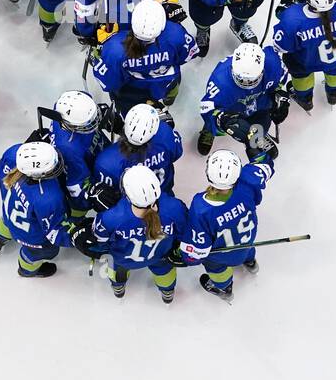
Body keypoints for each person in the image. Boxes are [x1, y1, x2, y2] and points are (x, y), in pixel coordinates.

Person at [74, 165, 188, 302]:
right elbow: (183, 234)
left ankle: (118, 289)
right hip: (161, 256)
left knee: (115, 272)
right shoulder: (175, 207)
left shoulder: (110, 218)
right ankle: (167, 294)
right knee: (165, 275)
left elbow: (100, 243)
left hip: (122, 260)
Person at [175, 149, 274, 301]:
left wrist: (186, 258)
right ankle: (251, 263)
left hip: (221, 256)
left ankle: (225, 289)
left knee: (215, 266)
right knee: (246, 248)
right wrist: (257, 147)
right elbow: (265, 165)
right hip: (246, 242)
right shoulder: (247, 180)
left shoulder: (201, 207)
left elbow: (198, 250)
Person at [91, 0, 198, 117]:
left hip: (131, 96)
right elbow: (188, 55)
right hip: (164, 85)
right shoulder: (176, 33)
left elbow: (108, 83)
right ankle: (170, 96)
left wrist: (101, 49)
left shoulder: (115, 48)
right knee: (172, 84)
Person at [0, 141, 72, 278]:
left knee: (7, 223)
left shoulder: (13, 154)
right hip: (32, 236)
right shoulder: (48, 197)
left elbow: (1, 178)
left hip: (9, 213)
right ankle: (27, 269)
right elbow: (54, 229)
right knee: (47, 251)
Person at [197, 43, 291, 157]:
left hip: (260, 104)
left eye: (251, 79)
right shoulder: (220, 81)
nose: (246, 83)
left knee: (262, 123)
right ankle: (209, 129)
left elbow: (279, 83)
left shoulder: (274, 64)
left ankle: (256, 137)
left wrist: (278, 96)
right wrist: (221, 119)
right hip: (232, 109)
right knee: (221, 124)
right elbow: (207, 108)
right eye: (241, 79)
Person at [42, 90, 110, 223]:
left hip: (95, 151)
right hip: (83, 166)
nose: (94, 124)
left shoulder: (72, 102)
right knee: (79, 204)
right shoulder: (68, 148)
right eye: (87, 123)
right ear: (70, 125)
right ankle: (75, 222)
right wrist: (91, 191)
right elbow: (77, 182)